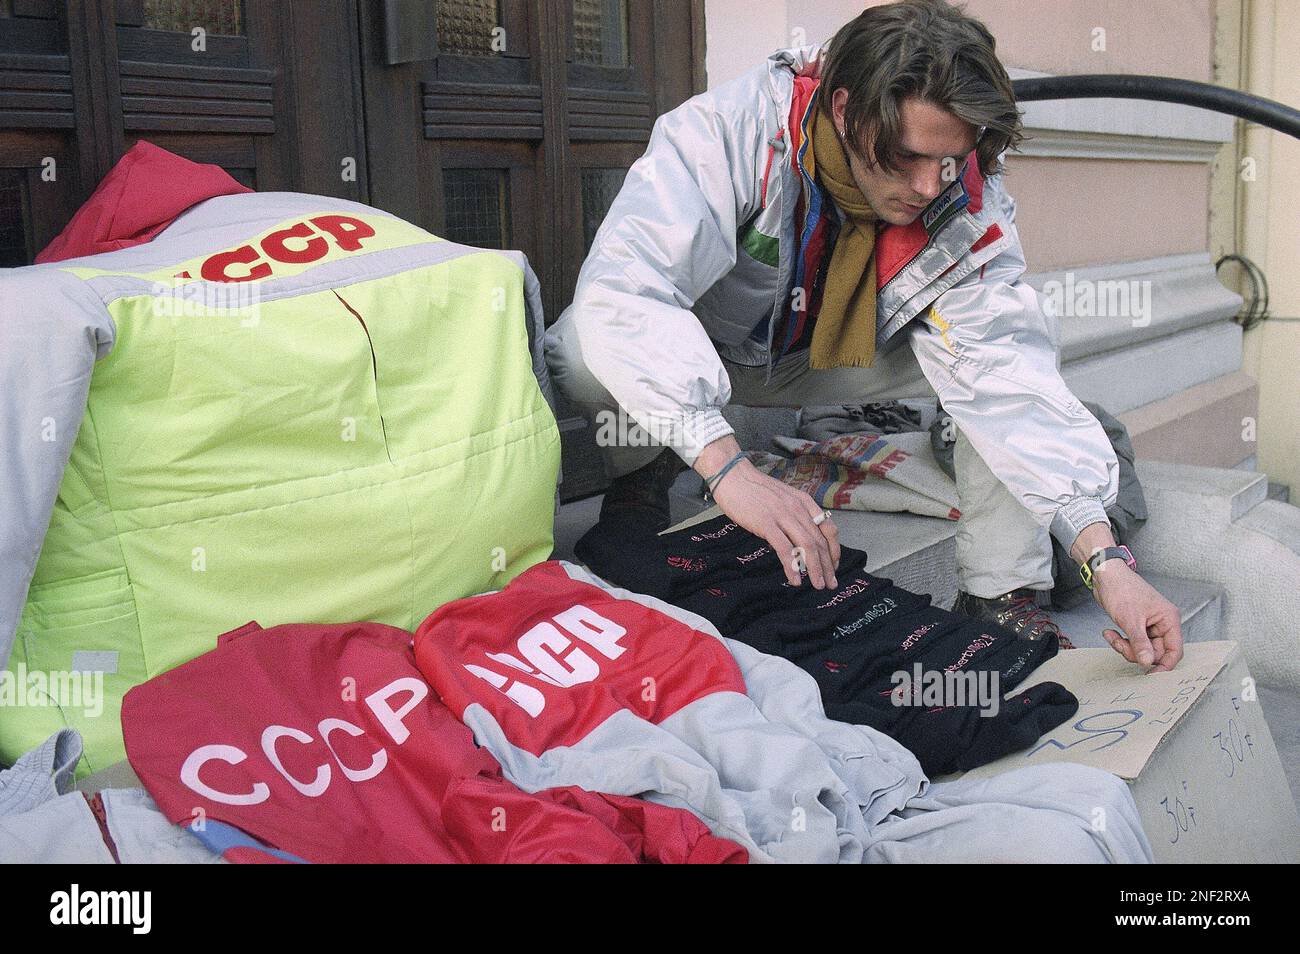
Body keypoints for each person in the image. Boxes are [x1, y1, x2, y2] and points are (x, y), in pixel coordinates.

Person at [545, 0, 1183, 671]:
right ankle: (645, 468)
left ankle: (997, 590)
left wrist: (1106, 562)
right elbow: (627, 293)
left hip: (825, 359)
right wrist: (730, 469)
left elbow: (1007, 381)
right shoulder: (725, 133)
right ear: (846, 111)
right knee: (584, 344)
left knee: (993, 367)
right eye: (907, 156)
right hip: (712, 352)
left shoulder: (962, 200)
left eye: (948, 160)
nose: (925, 186)